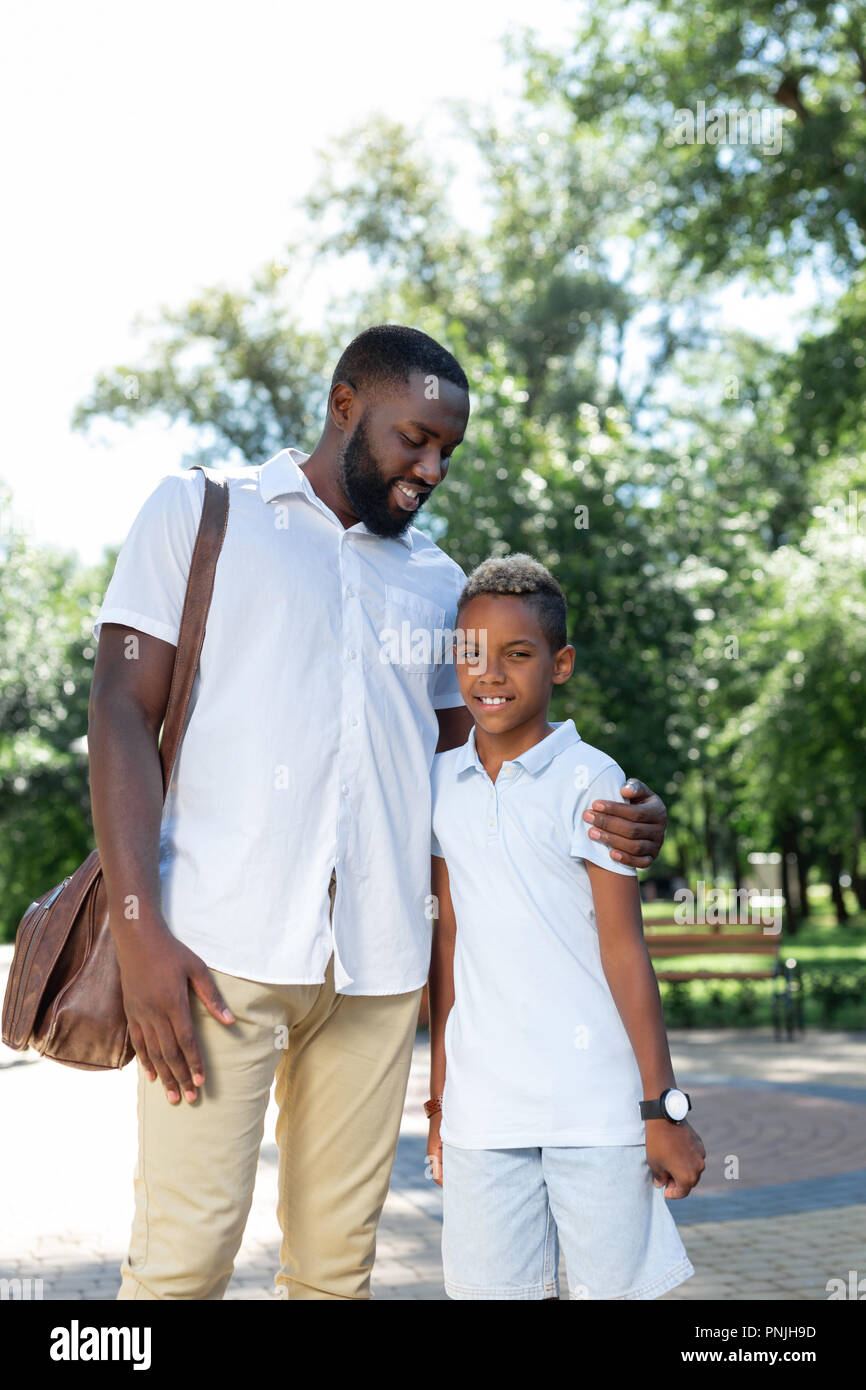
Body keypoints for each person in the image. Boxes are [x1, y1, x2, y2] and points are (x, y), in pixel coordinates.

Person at [88, 323, 669, 1301]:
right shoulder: (199, 514)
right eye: (413, 438)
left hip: (377, 971)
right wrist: (140, 933)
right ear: (344, 405)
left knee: (334, 1273)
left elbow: (474, 782)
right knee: (183, 1262)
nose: (430, 467)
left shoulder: (439, 585)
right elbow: (117, 712)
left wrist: (605, 808)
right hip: (212, 957)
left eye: (446, 450)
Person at [426, 553, 705, 1300]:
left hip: (597, 1111)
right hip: (483, 1118)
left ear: (561, 663)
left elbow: (625, 950)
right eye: (473, 654)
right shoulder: (439, 786)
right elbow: (449, 949)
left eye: (518, 655)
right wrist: (439, 1105)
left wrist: (662, 1108)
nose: (491, 674)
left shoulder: (593, 781)